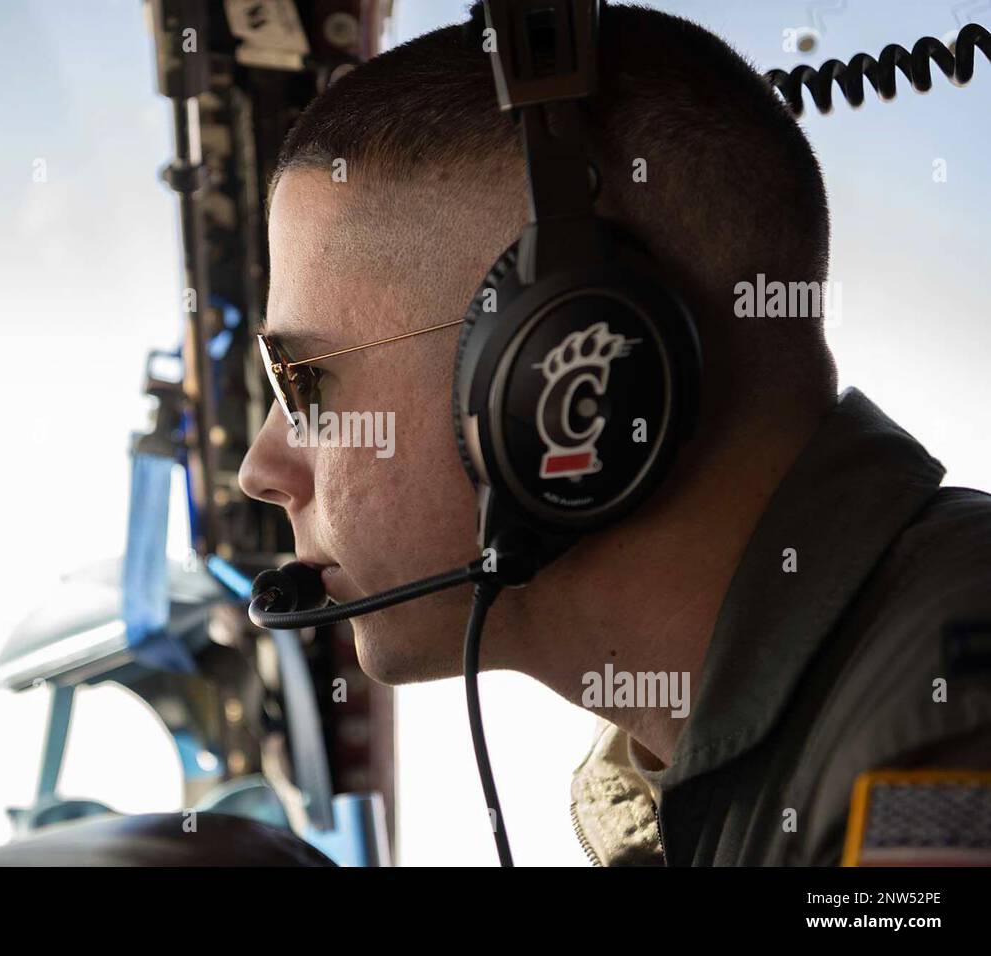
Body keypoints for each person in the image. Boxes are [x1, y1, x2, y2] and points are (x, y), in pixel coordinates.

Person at [237, 2, 991, 865]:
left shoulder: (944, 728)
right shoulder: (695, 770)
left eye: (303, 382)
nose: (263, 468)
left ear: (553, 361)